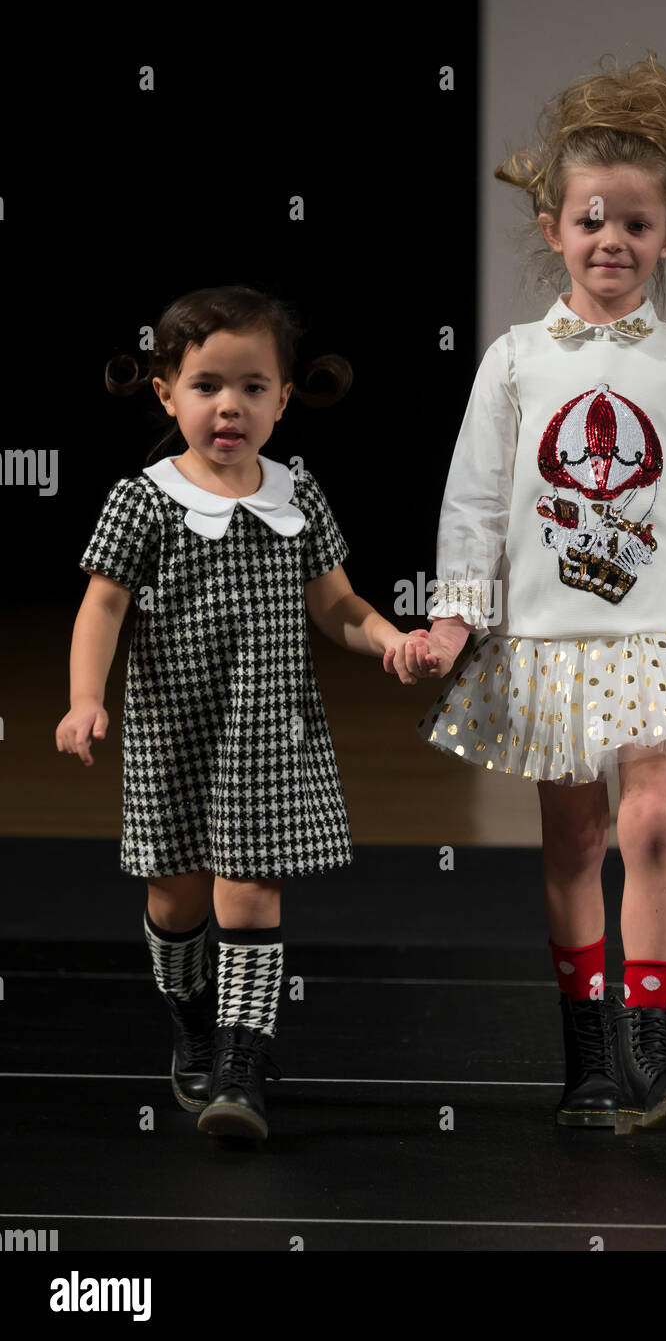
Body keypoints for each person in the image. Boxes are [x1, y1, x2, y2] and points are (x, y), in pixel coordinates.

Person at [388, 53, 666, 1136]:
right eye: (590, 219)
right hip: (552, 640)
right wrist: (457, 614)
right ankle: (587, 1060)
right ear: (557, 229)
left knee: (655, 824)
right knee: (574, 842)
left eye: (637, 224)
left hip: (658, 631)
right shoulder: (516, 360)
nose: (612, 239)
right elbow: (474, 499)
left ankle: (657, 1054)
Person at [55, 285, 431, 1142]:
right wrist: (86, 699)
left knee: (250, 892)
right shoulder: (143, 499)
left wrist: (388, 639)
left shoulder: (296, 494)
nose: (230, 406)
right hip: (171, 733)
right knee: (178, 896)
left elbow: (336, 605)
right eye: (207, 386)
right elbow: (101, 607)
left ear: (284, 399)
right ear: (166, 392)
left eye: (254, 387)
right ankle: (191, 1018)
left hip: (265, 731)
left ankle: (241, 1062)